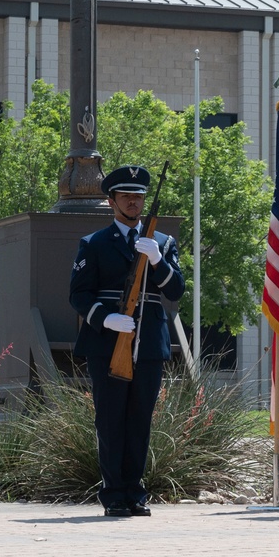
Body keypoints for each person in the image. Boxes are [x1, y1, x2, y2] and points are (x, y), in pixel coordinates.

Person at [69, 165, 185, 517]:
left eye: (138, 197)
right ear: (111, 202)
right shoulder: (94, 243)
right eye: (126, 196)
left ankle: (135, 492)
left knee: (139, 420)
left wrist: (158, 261)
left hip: (148, 342)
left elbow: (176, 290)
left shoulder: (162, 243)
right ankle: (114, 493)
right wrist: (106, 318)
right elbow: (79, 294)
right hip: (108, 343)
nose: (134, 202)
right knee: (110, 419)